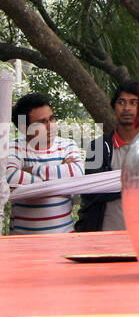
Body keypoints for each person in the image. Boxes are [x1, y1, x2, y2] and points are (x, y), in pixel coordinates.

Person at [5, 92, 85, 234]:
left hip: (65, 238)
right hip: (23, 243)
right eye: (42, 122)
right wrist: (60, 174)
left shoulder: (67, 145)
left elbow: (77, 172)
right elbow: (10, 176)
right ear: (25, 128)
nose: (50, 126)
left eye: (52, 119)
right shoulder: (14, 147)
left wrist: (32, 170)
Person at [76, 83, 139, 232]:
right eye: (121, 102)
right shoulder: (97, 147)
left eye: (134, 102)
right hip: (105, 233)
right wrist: (138, 183)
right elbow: (93, 192)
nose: (126, 108)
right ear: (114, 107)